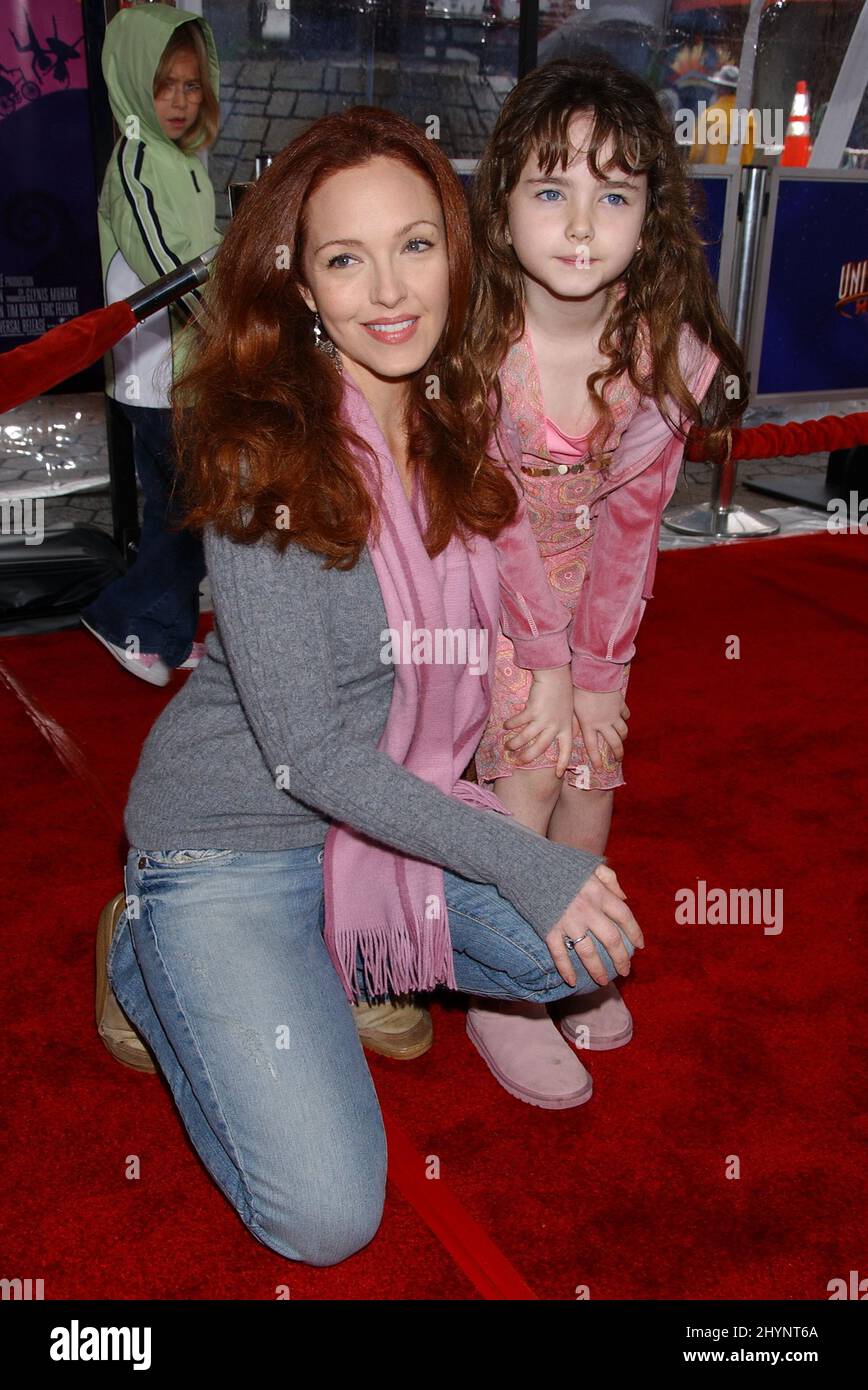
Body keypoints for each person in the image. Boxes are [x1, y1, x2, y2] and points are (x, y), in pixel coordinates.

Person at [99, 106, 644, 1265]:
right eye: (346, 259)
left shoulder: (454, 426)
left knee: (583, 949)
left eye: (415, 245)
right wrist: (524, 856)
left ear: (455, 253)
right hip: (233, 842)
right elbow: (310, 755)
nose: (390, 290)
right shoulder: (266, 450)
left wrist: (566, 689)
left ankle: (327, 953)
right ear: (301, 284)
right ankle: (147, 952)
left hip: (378, 823)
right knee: (328, 1218)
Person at [465, 57, 746, 1106]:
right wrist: (545, 666)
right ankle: (503, 985)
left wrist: (598, 674)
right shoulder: (474, 343)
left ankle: (575, 955)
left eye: (614, 195)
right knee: (530, 765)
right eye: (551, 190)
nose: (582, 225)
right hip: (478, 586)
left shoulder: (661, 353)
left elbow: (632, 527)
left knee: (591, 764)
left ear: (649, 218)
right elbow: (488, 516)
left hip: (586, 595)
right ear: (502, 206)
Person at [80, 4, 222, 686]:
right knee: (188, 509)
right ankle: (122, 616)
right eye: (165, 86)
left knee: (182, 505)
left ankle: (162, 633)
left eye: (192, 86)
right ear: (137, 84)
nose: (180, 101)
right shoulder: (136, 162)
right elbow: (170, 265)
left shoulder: (181, 158)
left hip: (185, 367)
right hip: (154, 373)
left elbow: (205, 248)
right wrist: (229, 325)